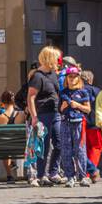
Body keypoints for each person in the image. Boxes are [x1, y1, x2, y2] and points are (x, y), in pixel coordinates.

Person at [27, 46, 64, 185]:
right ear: (49, 59)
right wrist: (34, 117)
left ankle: (54, 172)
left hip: (55, 113)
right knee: (44, 146)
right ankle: (42, 175)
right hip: (43, 114)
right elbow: (30, 97)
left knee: (60, 143)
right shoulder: (37, 76)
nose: (58, 61)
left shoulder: (53, 74)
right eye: (56, 58)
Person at [58, 67, 93, 187]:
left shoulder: (83, 92)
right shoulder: (63, 93)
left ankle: (83, 176)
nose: (72, 79)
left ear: (79, 78)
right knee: (66, 151)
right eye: (70, 77)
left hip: (79, 123)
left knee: (80, 151)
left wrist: (77, 105)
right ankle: (70, 177)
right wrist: (62, 107)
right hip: (65, 123)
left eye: (75, 76)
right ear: (66, 79)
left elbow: (88, 109)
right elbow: (59, 110)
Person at [0, 90, 21, 182]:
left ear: (2, 102)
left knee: (5, 146)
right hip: (20, 146)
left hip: (5, 146)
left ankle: (9, 175)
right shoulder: (22, 115)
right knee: (9, 145)